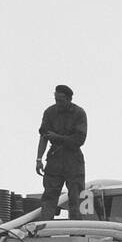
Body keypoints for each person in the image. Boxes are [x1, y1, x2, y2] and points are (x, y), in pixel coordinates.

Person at [36, 85, 88, 220]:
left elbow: (79, 140)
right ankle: (45, 233)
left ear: (69, 99)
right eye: (56, 99)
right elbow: (44, 137)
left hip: (73, 159)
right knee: (49, 197)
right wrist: (38, 159)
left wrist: (57, 137)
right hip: (55, 158)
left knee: (77, 198)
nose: (58, 103)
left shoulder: (79, 113)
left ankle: (77, 234)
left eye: (61, 100)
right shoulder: (49, 112)